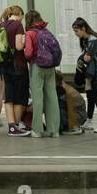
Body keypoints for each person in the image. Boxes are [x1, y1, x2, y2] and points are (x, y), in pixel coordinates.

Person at [24, 10, 60, 138]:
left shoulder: (30, 33)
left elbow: (28, 53)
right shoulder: (46, 31)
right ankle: (54, 130)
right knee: (52, 96)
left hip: (37, 67)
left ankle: (37, 130)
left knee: (38, 98)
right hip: (50, 68)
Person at [71, 17, 97, 133]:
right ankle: (89, 121)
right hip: (91, 73)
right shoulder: (89, 39)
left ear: (83, 29)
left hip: (95, 73)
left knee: (96, 97)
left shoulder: (92, 40)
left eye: (76, 31)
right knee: (91, 97)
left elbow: (87, 58)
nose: (76, 34)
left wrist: (81, 59)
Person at [2, 5, 31, 137]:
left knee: (9, 97)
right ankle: (17, 125)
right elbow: (19, 46)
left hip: (5, 66)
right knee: (20, 97)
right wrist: (26, 43)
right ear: (19, 14)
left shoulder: (1, 25)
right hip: (18, 65)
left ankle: (11, 126)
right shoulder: (17, 25)